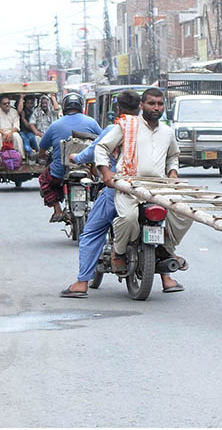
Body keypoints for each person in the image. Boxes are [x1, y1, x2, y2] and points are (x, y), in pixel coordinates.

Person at [94, 87, 192, 293]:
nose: (156, 108)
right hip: (129, 185)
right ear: (142, 105)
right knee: (128, 218)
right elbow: (102, 147)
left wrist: (173, 172)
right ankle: (118, 253)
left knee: (185, 213)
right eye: (151, 103)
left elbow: (173, 156)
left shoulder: (167, 132)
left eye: (160, 104)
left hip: (159, 187)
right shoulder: (128, 126)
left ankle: (166, 245)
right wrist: (106, 173)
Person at [60, 90, 146, 298]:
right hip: (150, 189)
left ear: (118, 109)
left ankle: (82, 282)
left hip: (119, 187)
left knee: (92, 232)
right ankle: (167, 278)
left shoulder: (116, 127)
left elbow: (96, 150)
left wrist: (76, 157)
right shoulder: (153, 129)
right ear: (141, 107)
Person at [38, 93, 102, 223]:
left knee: (44, 179)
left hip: (60, 172)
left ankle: (57, 209)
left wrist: (42, 156)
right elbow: (104, 141)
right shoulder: (91, 122)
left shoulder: (55, 125)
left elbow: (42, 147)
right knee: (102, 186)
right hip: (89, 170)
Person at [17, 95, 39, 161]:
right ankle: (30, 153)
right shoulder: (23, 111)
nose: (29, 105)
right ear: (24, 103)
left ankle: (39, 155)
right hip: (22, 131)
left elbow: (30, 126)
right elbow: (19, 110)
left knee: (33, 139)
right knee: (25, 140)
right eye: (28, 103)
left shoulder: (35, 112)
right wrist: (21, 97)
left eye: (31, 103)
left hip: (31, 131)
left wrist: (23, 119)